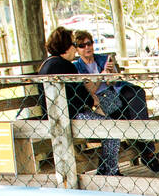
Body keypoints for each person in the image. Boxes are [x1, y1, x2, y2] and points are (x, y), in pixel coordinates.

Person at [72, 30, 159, 174]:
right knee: (125, 115)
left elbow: (115, 82)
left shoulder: (102, 59)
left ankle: (142, 146)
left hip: (115, 92)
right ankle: (147, 152)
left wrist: (111, 75)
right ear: (77, 49)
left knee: (137, 93)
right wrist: (101, 75)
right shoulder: (77, 67)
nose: (87, 47)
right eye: (82, 46)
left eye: (89, 43)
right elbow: (90, 90)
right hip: (99, 100)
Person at [38, 26, 120, 177]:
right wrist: (92, 101)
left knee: (109, 121)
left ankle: (105, 171)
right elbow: (81, 95)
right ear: (66, 47)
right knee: (111, 128)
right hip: (70, 117)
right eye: (74, 45)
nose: (75, 49)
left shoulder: (46, 65)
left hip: (52, 116)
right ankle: (109, 172)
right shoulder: (65, 66)